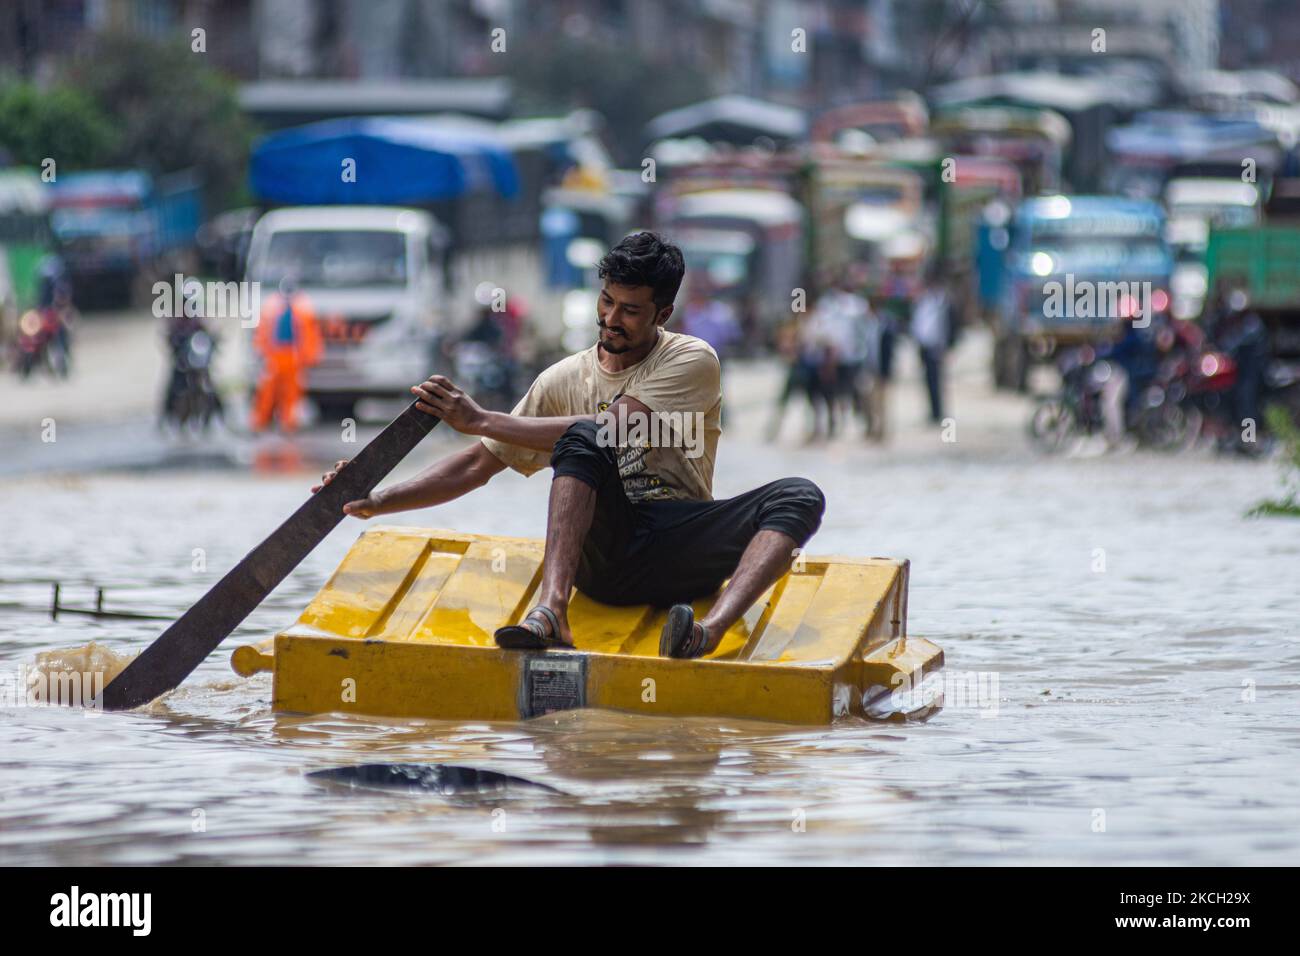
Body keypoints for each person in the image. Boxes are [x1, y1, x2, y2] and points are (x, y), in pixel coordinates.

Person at [313, 232, 825, 659]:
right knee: (579, 437)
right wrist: (376, 500)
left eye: (630, 310)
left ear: (662, 313)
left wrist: (482, 417)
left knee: (799, 494)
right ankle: (552, 610)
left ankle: (705, 633)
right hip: (602, 557)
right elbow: (478, 463)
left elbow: (615, 428)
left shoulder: (692, 359)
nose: (611, 318)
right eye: (607, 302)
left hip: (679, 547)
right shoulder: (561, 379)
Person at [251, 277, 322, 433]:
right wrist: (260, 351)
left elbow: (310, 335)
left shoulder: (303, 309)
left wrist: (310, 356)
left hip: (292, 355)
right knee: (267, 390)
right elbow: (262, 332)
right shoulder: (271, 307)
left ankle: (288, 422)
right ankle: (260, 421)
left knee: (291, 391)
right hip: (275, 354)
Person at [911, 269, 950, 424]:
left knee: (937, 380)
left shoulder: (941, 302)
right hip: (924, 345)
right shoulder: (923, 301)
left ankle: (938, 411)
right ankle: (932, 411)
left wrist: (945, 345)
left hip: (936, 345)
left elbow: (945, 326)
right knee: (927, 380)